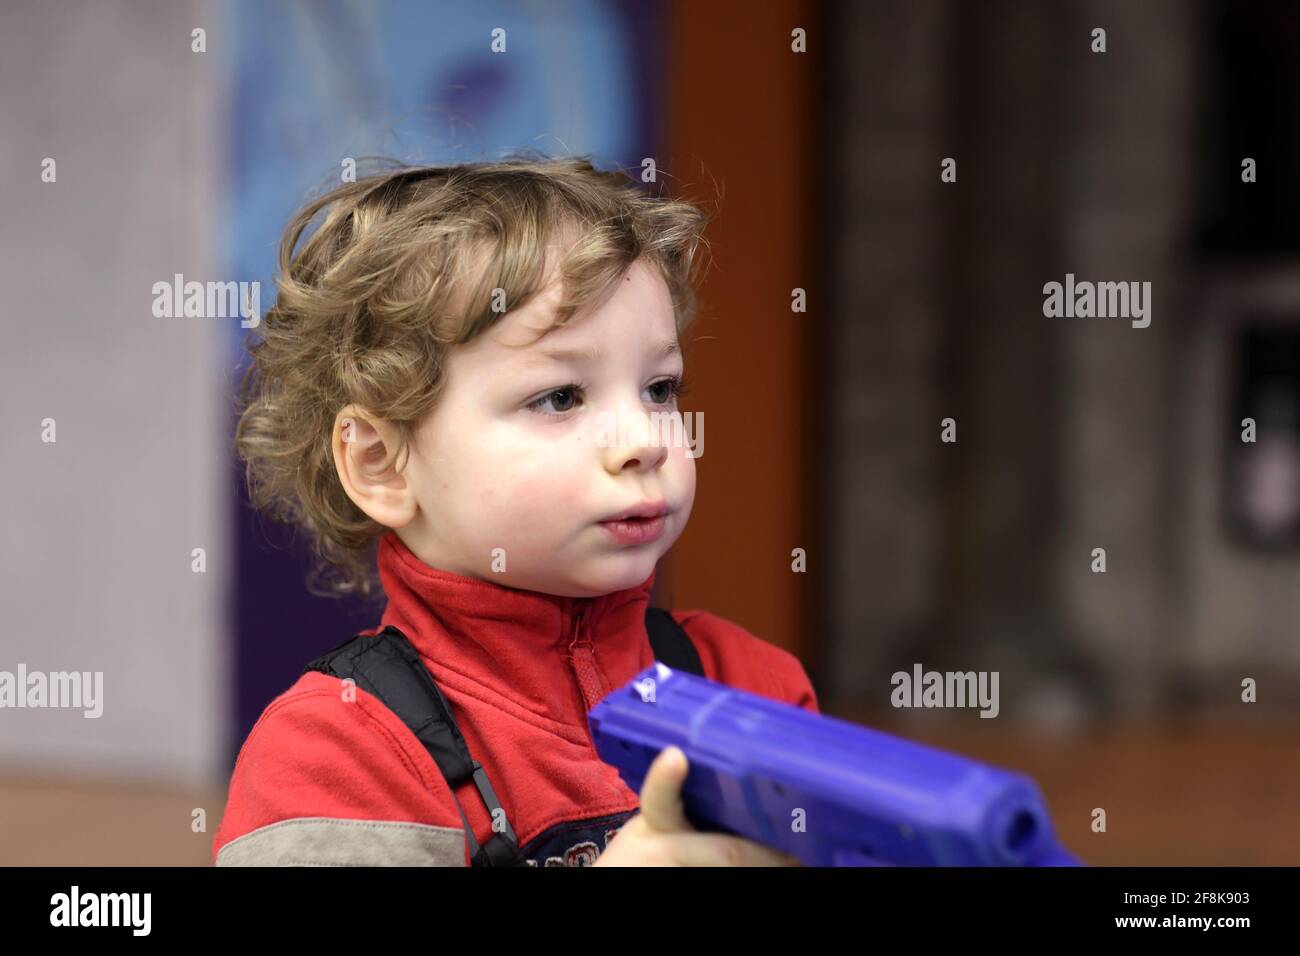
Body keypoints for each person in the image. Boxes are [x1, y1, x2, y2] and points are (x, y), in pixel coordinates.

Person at [214, 155, 818, 866]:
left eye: (659, 388)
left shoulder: (749, 686)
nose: (643, 441)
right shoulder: (337, 751)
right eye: (561, 397)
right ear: (380, 463)